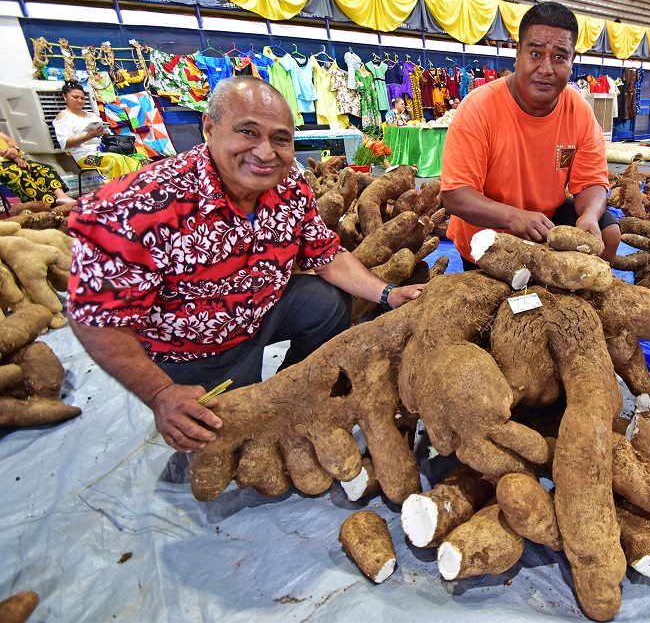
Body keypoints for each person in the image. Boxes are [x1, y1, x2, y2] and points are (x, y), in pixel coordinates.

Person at [66, 77, 425, 453]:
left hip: (261, 312)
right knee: (235, 443)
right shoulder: (141, 203)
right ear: (209, 128)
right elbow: (94, 317)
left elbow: (327, 255)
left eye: (281, 139)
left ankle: (296, 384)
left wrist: (388, 293)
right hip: (194, 346)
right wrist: (160, 393)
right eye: (247, 132)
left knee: (327, 299)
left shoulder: (290, 189)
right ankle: (255, 398)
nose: (266, 152)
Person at [439, 1, 621, 265]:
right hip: (486, 234)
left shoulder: (578, 110)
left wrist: (589, 215)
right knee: (507, 296)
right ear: (518, 53)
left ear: (572, 62)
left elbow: (592, 182)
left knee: (609, 232)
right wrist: (514, 216)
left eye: (559, 57)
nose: (546, 69)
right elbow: (455, 196)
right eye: (536, 53)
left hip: (545, 221)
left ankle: (590, 298)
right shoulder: (478, 108)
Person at [52, 81, 145, 182]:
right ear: (65, 97)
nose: (80, 100)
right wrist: (89, 136)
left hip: (105, 150)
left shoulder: (92, 116)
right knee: (113, 160)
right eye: (75, 97)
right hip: (84, 156)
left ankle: (140, 188)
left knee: (141, 158)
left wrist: (104, 132)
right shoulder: (63, 117)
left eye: (82, 98)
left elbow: (107, 133)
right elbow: (65, 144)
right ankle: (118, 190)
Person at [0, 130, 76, 206]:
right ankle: (47, 205)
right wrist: (15, 158)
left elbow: (9, 140)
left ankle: (61, 197)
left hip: (11, 159)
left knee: (44, 168)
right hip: (3, 163)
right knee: (18, 173)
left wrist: (14, 149)